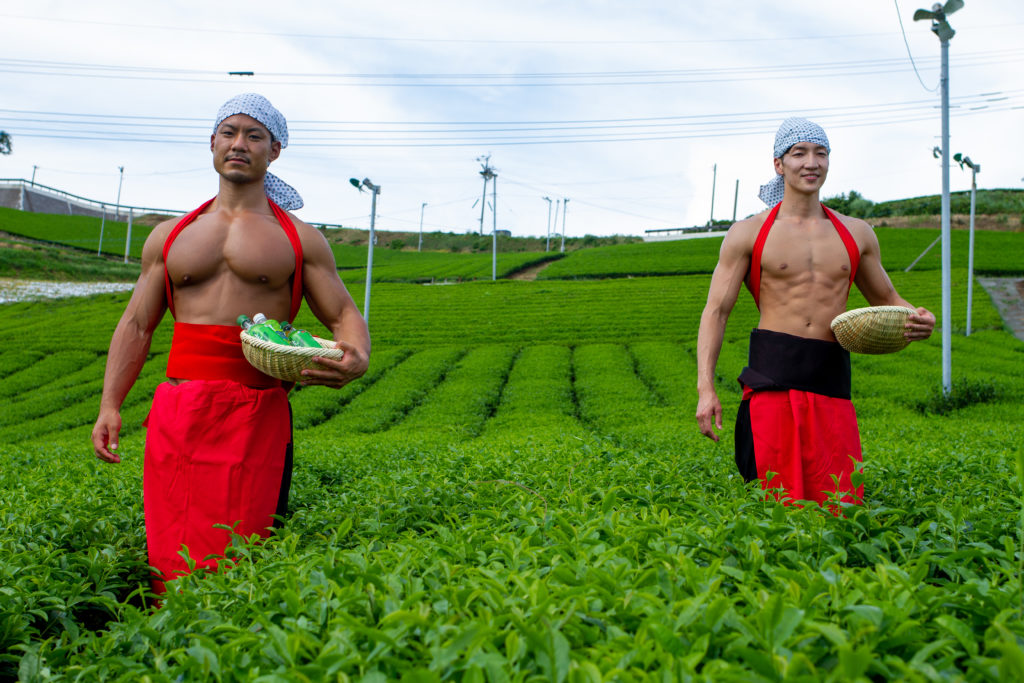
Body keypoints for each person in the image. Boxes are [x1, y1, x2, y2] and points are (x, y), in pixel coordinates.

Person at [91, 93, 371, 593]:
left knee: (245, 548)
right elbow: (137, 324)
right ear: (212, 143)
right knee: (170, 546)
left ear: (274, 151)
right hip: (178, 408)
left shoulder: (300, 238)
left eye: (254, 135)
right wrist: (110, 404)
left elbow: (344, 312)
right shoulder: (169, 236)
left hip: (256, 411)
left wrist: (357, 354)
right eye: (229, 132)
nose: (239, 144)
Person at [695, 117, 935, 507]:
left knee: (839, 503)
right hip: (772, 381)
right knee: (773, 506)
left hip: (830, 383)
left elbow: (888, 297)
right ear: (779, 164)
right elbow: (716, 311)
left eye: (820, 153)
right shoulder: (748, 232)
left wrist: (918, 317)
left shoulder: (857, 232)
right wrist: (706, 388)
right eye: (799, 153)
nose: (811, 162)